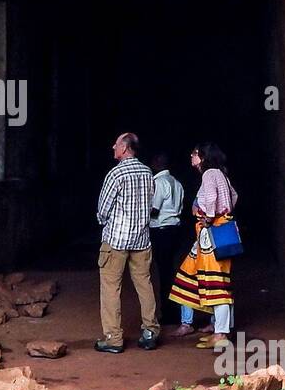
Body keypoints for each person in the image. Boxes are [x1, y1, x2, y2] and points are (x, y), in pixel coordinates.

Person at [95, 132, 159, 353]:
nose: (113, 146)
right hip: (141, 239)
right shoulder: (147, 172)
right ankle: (150, 332)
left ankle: (113, 338)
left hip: (116, 240)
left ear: (124, 148)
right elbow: (150, 204)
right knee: (145, 285)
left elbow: (103, 209)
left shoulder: (116, 174)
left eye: (116, 144)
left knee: (111, 288)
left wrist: (104, 222)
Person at [170, 142, 238, 348]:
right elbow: (234, 196)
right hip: (219, 230)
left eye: (194, 153)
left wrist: (209, 217)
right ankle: (218, 330)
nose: (191, 156)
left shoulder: (209, 174)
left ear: (202, 156)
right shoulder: (221, 174)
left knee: (217, 284)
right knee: (215, 280)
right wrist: (224, 212)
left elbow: (210, 198)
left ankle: (221, 334)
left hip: (211, 232)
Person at [147, 153, 187, 331]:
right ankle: (175, 310)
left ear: (157, 163)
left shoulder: (159, 183)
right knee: (170, 269)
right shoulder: (177, 183)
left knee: (164, 273)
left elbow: (154, 210)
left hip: (161, 230)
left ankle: (168, 312)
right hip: (175, 228)